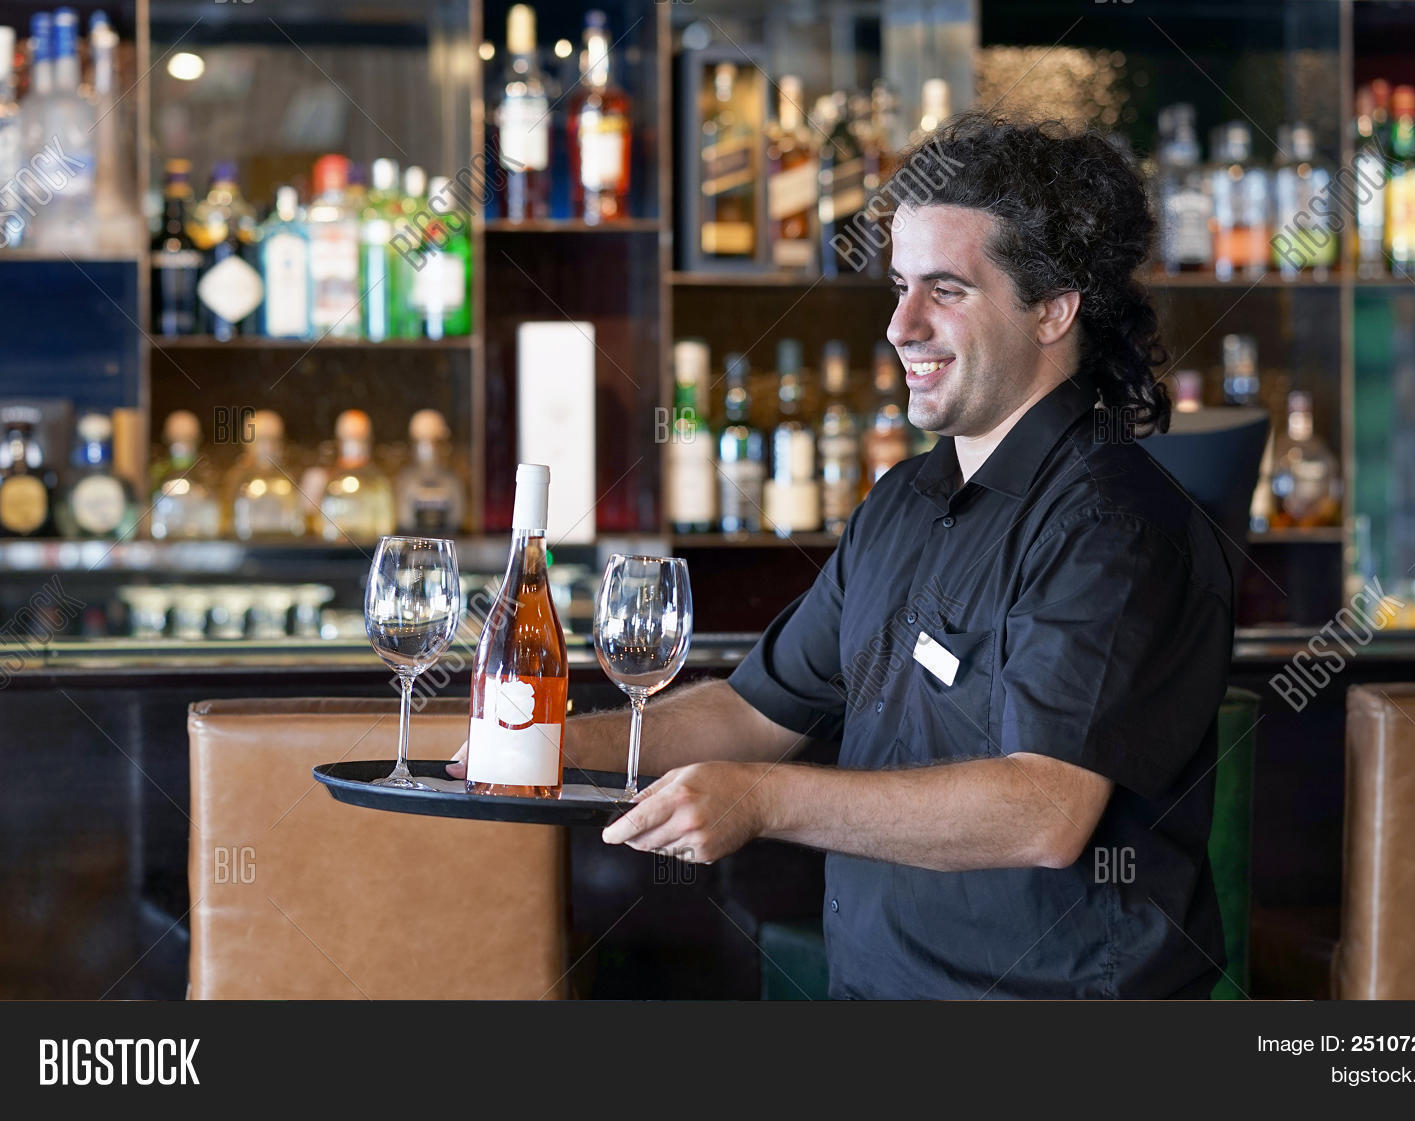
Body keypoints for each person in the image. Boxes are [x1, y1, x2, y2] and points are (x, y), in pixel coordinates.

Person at [452, 113, 1235, 999]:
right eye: (899, 286)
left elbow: (1043, 810)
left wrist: (764, 801)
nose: (901, 325)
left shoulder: (1114, 525)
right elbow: (750, 716)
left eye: (947, 290)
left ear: (1054, 308)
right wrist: (533, 749)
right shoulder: (903, 503)